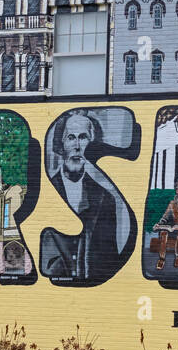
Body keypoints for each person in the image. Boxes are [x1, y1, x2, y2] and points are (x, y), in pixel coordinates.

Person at [41, 110, 129, 283]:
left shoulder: (105, 199)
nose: (77, 146)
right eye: (70, 138)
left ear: (92, 144)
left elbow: (109, 258)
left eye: (83, 137)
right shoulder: (45, 192)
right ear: (61, 144)